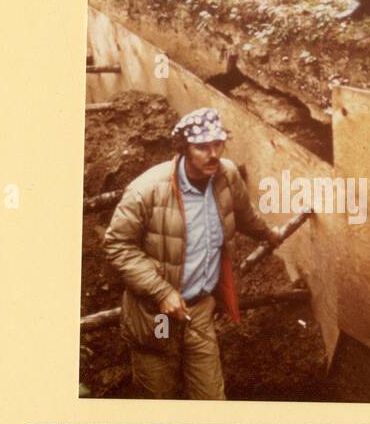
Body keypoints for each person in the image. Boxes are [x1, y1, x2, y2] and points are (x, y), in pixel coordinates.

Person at [103, 107, 281, 400]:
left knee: (211, 401)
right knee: (160, 398)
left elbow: (243, 213)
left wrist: (267, 234)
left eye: (218, 144)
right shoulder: (147, 190)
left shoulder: (227, 175)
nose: (212, 154)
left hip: (198, 311)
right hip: (156, 318)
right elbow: (117, 245)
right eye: (202, 147)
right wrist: (161, 292)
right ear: (184, 149)